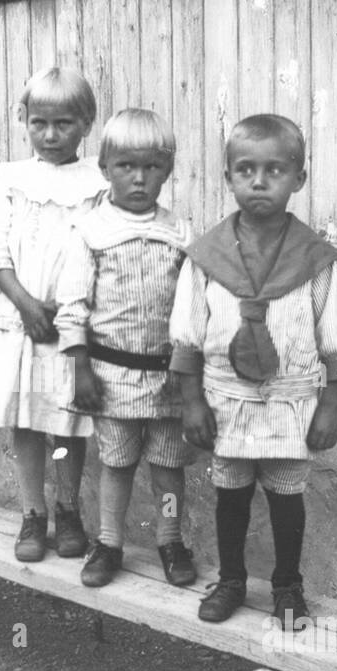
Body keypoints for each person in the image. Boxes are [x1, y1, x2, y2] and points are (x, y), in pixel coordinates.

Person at [169, 113, 337, 628]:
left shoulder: (316, 261)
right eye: (246, 169)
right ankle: (231, 579)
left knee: (285, 496)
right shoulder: (205, 258)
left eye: (275, 170)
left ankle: (288, 586)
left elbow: (336, 337)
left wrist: (330, 407)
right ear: (227, 177)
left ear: (299, 178)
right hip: (226, 400)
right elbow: (187, 332)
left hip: (291, 402)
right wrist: (191, 401)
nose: (259, 180)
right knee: (230, 493)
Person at [0, 67, 107, 563]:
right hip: (21, 320)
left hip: (72, 326)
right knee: (24, 417)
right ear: (25, 121)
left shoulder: (98, 185)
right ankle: (32, 511)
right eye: (39, 123)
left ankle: (68, 509)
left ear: (86, 123)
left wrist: (67, 311)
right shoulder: (14, 182)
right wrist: (25, 304)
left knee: (66, 420)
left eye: (63, 123)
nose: (50, 134)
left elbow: (104, 252)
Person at [55, 109, 196, 589]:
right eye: (126, 167)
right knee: (116, 463)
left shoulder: (180, 232)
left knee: (168, 468)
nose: (139, 178)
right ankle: (109, 540)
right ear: (105, 168)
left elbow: (194, 305)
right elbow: (72, 307)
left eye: (152, 167)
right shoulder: (91, 231)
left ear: (167, 171)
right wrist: (80, 369)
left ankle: (170, 538)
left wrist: (189, 367)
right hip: (110, 375)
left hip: (169, 377)